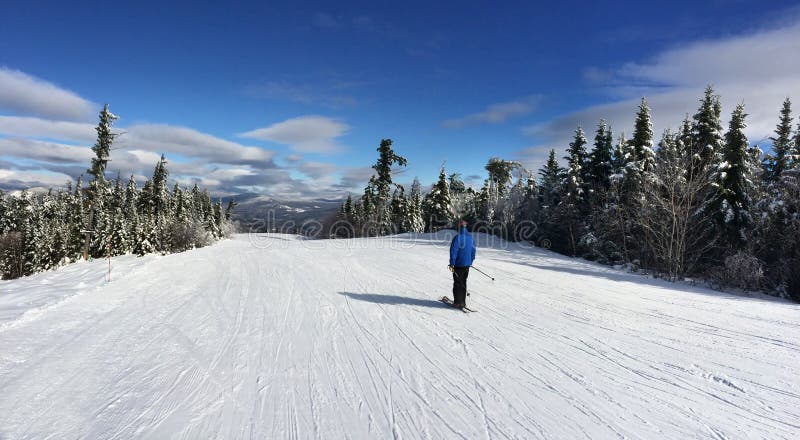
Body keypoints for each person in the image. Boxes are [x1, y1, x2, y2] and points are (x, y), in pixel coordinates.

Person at [448, 220, 476, 308]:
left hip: (458, 264)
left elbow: (453, 251)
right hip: (467, 265)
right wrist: (470, 261)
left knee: (457, 283)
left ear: (459, 227)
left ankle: (457, 302)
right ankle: (462, 302)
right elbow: (473, 251)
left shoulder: (457, 237)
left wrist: (452, 263)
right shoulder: (470, 238)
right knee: (463, 282)